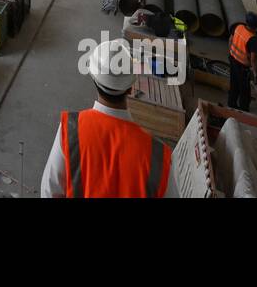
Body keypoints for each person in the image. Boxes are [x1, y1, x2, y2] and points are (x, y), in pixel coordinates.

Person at [41, 38, 171, 198]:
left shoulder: (71, 130)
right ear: (131, 88)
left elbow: (50, 191)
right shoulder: (157, 155)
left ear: (94, 79)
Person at [227, 14, 257, 112]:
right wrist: (256, 75)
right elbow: (253, 59)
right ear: (256, 25)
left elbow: (230, 40)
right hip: (242, 67)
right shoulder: (253, 39)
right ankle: (244, 111)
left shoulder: (238, 27)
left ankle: (231, 104)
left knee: (234, 84)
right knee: (245, 91)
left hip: (233, 60)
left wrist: (231, 53)